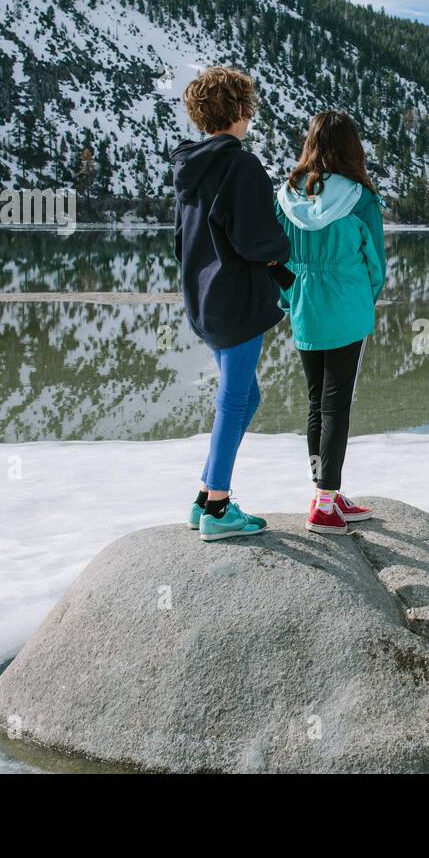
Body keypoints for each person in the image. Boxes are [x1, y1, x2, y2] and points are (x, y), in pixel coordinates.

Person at [172, 66, 290, 541]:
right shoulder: (241, 165)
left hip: (203, 299)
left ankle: (205, 497)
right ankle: (218, 508)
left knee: (246, 396)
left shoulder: (188, 166)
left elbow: (180, 240)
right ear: (241, 110)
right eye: (249, 107)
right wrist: (283, 252)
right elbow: (257, 240)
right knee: (234, 398)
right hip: (237, 300)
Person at [275, 111, 386, 534]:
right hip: (347, 306)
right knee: (337, 403)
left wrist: (292, 298)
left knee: (316, 401)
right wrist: (364, 300)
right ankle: (325, 503)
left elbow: (276, 259)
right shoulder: (360, 199)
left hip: (306, 306)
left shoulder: (286, 195)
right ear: (351, 148)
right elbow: (375, 264)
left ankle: (327, 492)